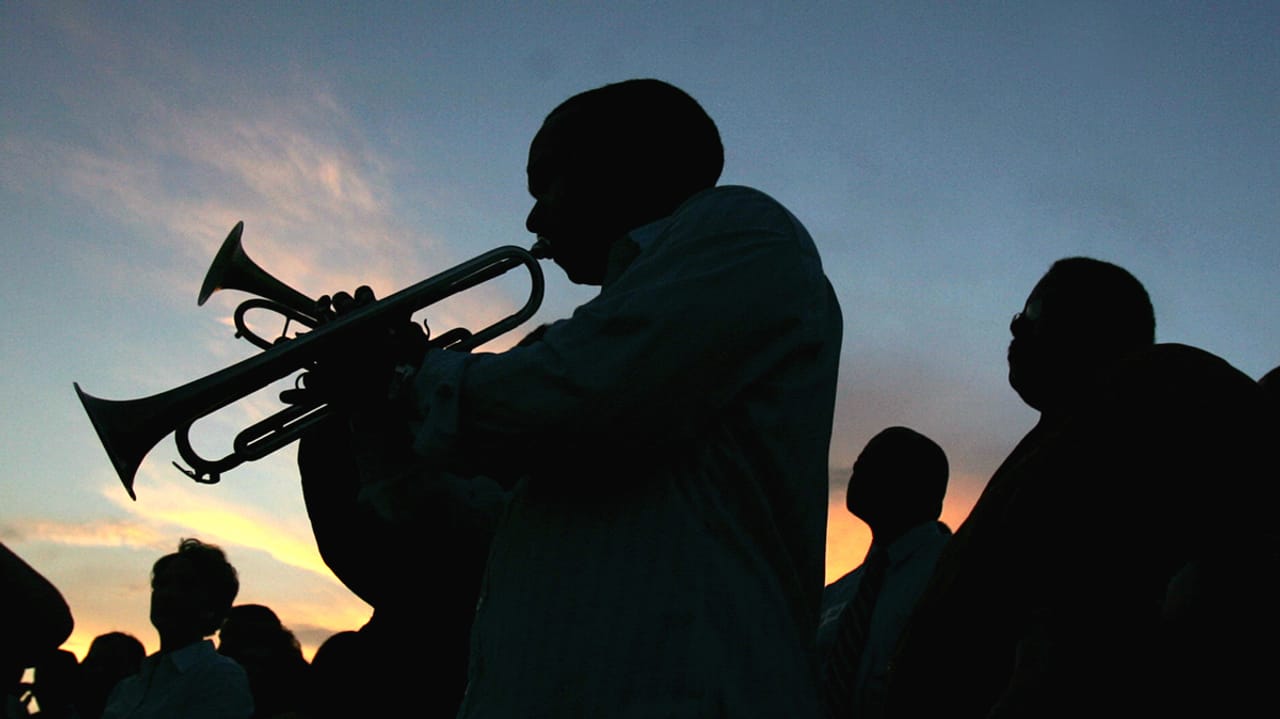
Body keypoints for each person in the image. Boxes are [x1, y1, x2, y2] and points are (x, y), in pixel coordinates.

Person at [311, 78, 843, 716]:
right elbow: (469, 534)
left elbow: (581, 397)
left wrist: (401, 373)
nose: (533, 219)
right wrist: (373, 416)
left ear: (623, 160)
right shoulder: (595, 342)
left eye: (546, 183)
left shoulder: (744, 228)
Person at [884, 257, 1269, 718]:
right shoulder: (1058, 437)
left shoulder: (1158, 394)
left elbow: (1091, 605)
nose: (1014, 331)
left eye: (1029, 316)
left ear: (1093, 322)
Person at [817, 426, 951, 719]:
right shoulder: (840, 592)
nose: (858, 468)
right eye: (861, 462)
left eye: (878, 463)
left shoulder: (952, 573)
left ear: (916, 486)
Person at [102, 539, 252, 719]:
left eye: (185, 586)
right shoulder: (128, 686)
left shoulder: (221, 676)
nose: (166, 594)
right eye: (161, 584)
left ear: (212, 605)